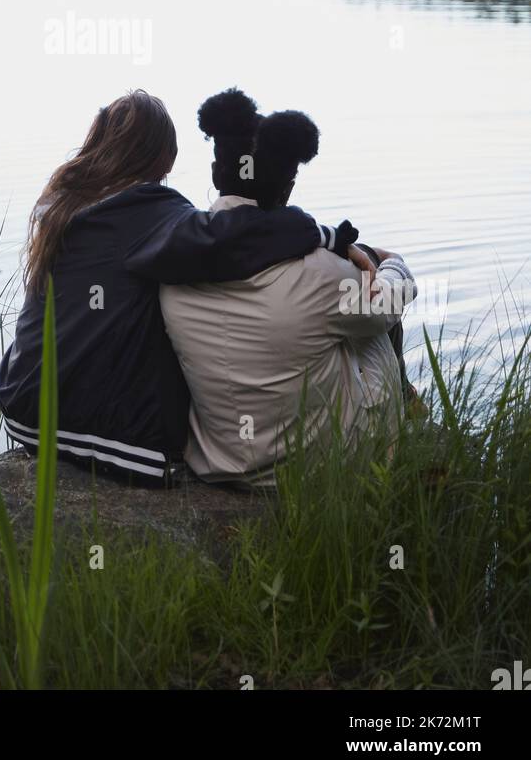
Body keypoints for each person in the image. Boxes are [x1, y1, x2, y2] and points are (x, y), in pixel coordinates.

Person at [0, 88, 372, 484]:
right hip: (99, 431)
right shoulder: (143, 212)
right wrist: (326, 236)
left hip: (22, 407)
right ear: (162, 158)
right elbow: (227, 239)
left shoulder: (65, 204)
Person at [160, 88, 417, 487]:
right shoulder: (321, 275)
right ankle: (408, 423)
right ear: (287, 187)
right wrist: (393, 264)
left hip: (218, 458)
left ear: (215, 174)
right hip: (312, 467)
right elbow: (391, 305)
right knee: (373, 317)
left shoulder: (173, 258)